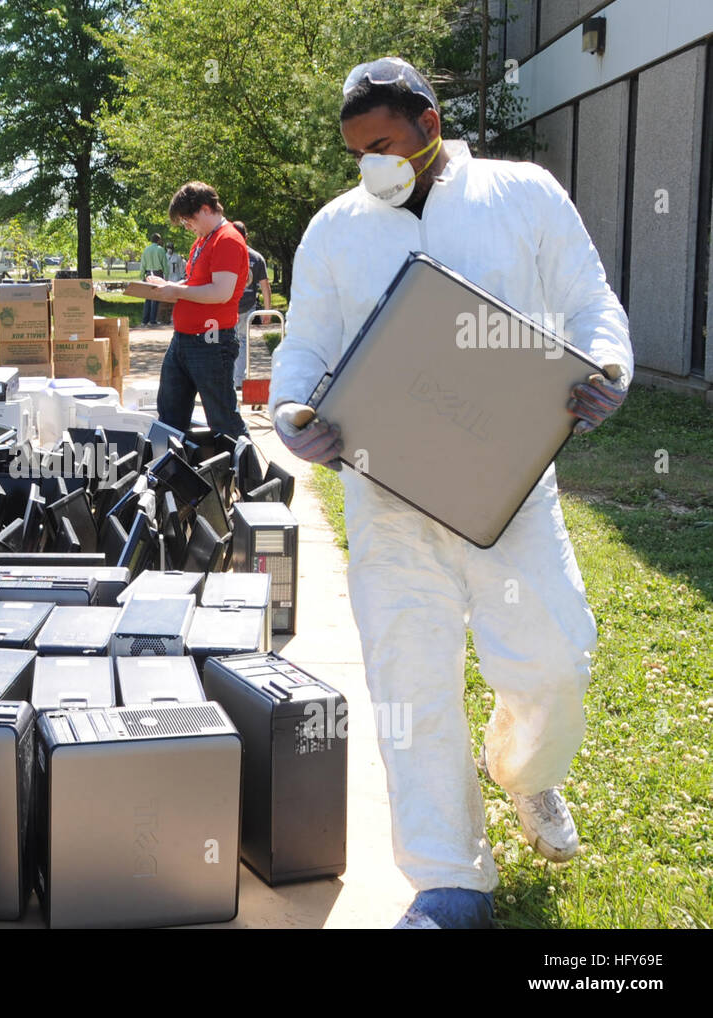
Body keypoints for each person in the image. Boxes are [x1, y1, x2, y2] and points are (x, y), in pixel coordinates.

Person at [268, 57, 632, 929]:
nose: (370, 166)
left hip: (505, 487)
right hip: (387, 496)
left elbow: (590, 302)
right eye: (357, 152)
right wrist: (292, 410)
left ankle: (528, 776)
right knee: (412, 684)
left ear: (430, 126)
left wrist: (607, 368)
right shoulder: (335, 228)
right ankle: (449, 883)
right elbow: (304, 345)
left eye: (384, 145)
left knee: (553, 655)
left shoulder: (523, 194)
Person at [142, 181, 250, 439]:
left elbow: (221, 291)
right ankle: (168, 475)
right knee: (169, 414)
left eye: (187, 220)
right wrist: (170, 285)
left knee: (223, 421)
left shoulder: (227, 240)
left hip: (211, 340)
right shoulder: (203, 241)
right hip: (184, 339)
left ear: (204, 209)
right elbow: (196, 283)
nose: (187, 227)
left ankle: (251, 478)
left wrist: (176, 292)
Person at [230, 221, 272, 389]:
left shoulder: (225, 255)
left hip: (229, 306)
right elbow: (265, 286)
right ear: (246, 237)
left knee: (226, 341)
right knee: (243, 340)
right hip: (248, 306)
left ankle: (231, 378)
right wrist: (267, 311)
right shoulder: (257, 257)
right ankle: (239, 379)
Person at [139, 232, 170, 326]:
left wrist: (142, 276)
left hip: (148, 273)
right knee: (156, 297)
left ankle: (144, 320)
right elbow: (165, 265)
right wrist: (166, 278)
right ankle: (153, 320)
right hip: (157, 273)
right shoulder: (160, 250)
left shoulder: (146, 250)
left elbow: (143, 264)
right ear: (159, 240)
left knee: (148, 297)